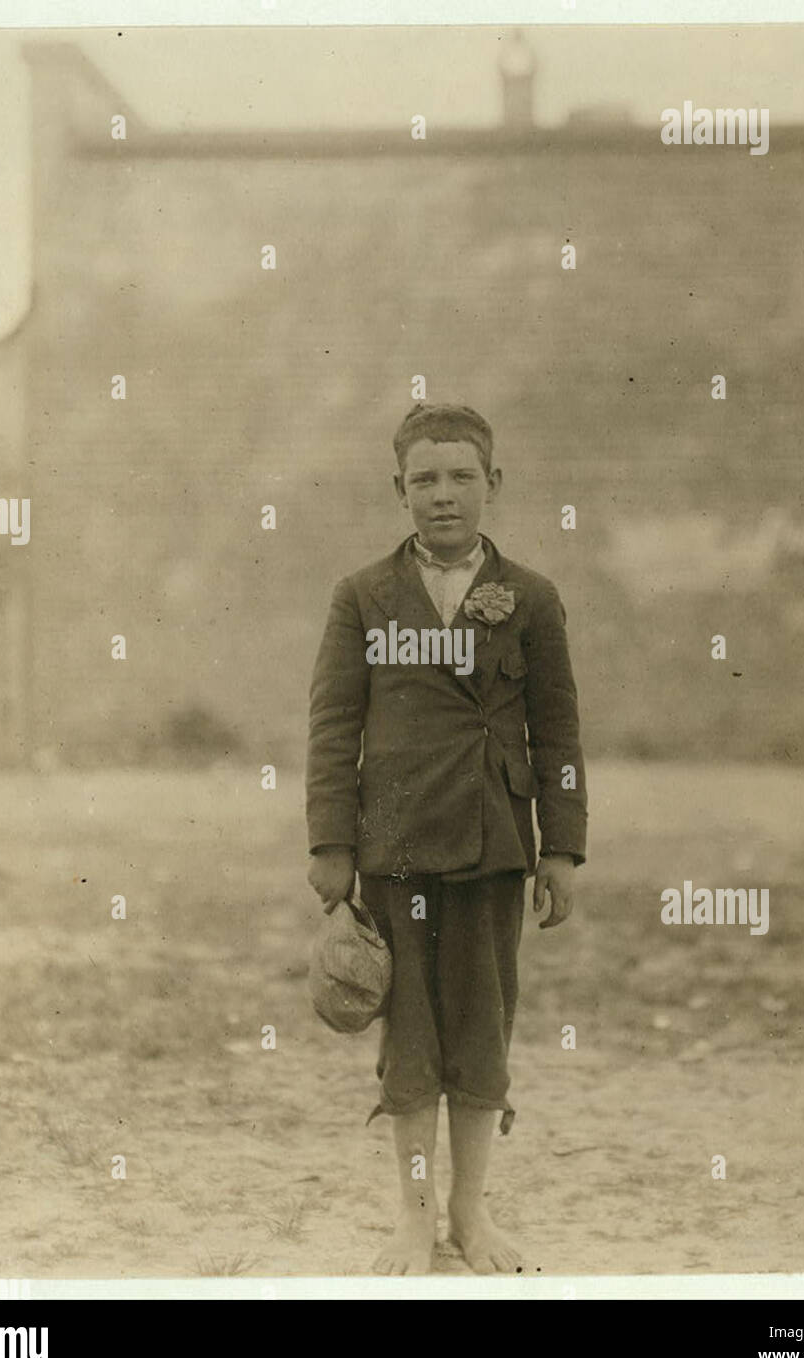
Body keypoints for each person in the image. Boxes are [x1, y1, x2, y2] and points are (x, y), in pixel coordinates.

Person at [306, 401, 587, 1274]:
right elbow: (331, 727)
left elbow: (559, 735)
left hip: (494, 843)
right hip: (394, 846)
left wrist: (562, 849)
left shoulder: (532, 599)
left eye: (461, 476)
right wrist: (331, 850)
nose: (443, 495)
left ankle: (471, 1212)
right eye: (424, 479)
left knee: (481, 1027)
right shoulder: (361, 596)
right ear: (399, 491)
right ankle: (413, 1216)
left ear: (492, 485)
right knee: (412, 1035)